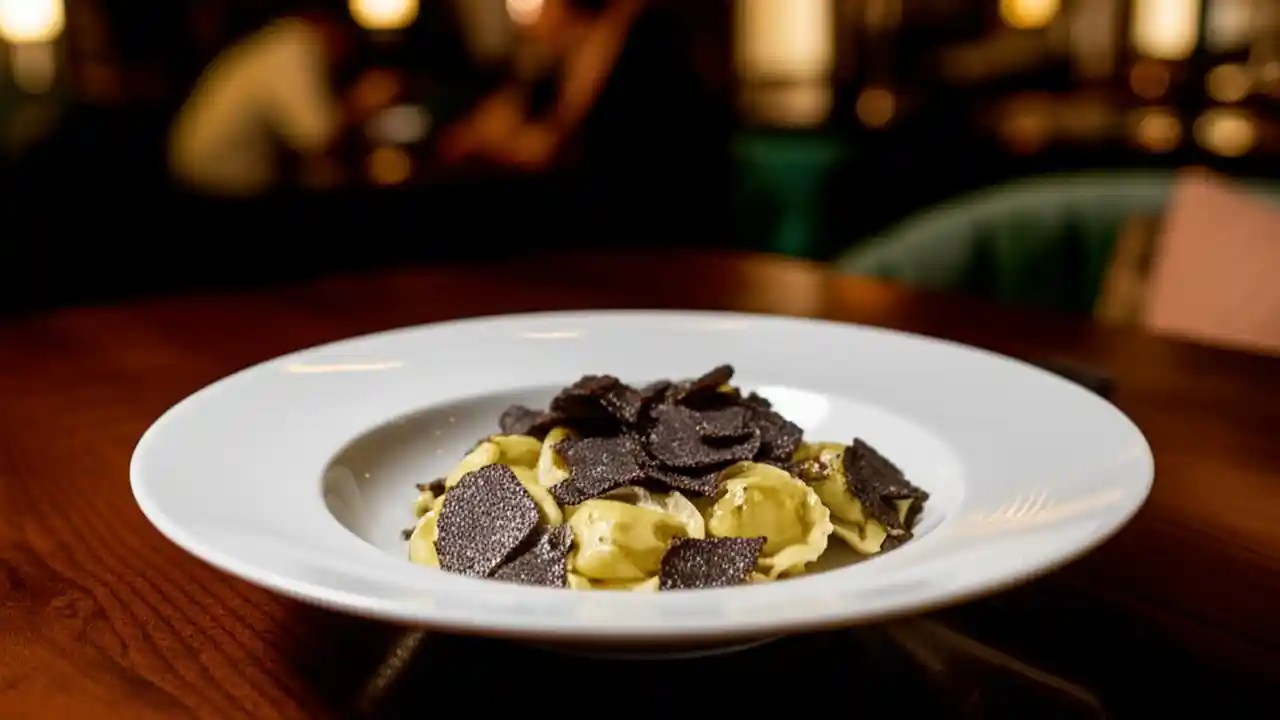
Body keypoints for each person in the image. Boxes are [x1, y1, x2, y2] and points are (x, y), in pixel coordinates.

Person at [438, 0, 732, 245]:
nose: (531, 17)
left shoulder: (646, 37)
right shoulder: (562, 57)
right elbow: (499, 121)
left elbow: (553, 151)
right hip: (602, 235)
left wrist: (498, 141)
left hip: (656, 236)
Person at [168, 3, 400, 197]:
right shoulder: (294, 47)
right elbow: (318, 138)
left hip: (216, 177)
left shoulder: (278, 42)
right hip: (215, 185)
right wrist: (363, 102)